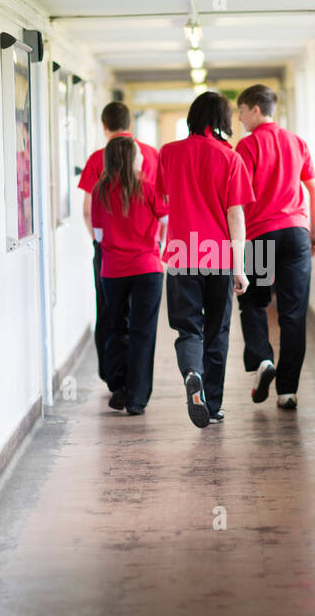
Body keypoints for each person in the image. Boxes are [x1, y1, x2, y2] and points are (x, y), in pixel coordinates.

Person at [157, 92, 255, 428]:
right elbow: (235, 216)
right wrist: (240, 267)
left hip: (182, 254)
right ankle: (211, 404)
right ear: (222, 120)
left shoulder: (168, 153)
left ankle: (192, 373)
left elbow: (164, 202)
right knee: (218, 330)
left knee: (188, 329)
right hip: (219, 256)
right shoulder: (230, 158)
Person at [233, 84, 315, 410]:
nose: (239, 118)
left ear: (255, 108)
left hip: (260, 235)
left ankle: (262, 360)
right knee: (293, 314)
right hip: (297, 234)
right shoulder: (297, 142)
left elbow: (238, 200)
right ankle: (287, 391)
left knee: (253, 303)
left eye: (241, 111)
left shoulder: (247, 146)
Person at [77, 102, 159, 391]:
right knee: (142, 321)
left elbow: (88, 211)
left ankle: (113, 377)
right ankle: (137, 388)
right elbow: (163, 207)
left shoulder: (98, 158)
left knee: (111, 314)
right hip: (147, 253)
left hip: (109, 251)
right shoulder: (150, 154)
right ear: (129, 124)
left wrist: (99, 241)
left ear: (104, 125)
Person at [92, 137, 168, 415]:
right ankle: (137, 398)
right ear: (130, 158)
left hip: (113, 270)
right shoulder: (148, 188)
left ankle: (118, 386)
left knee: (116, 326)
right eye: (138, 155)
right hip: (147, 268)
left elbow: (98, 235)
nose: (142, 159)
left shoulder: (100, 191)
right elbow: (167, 220)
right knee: (143, 331)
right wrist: (157, 244)